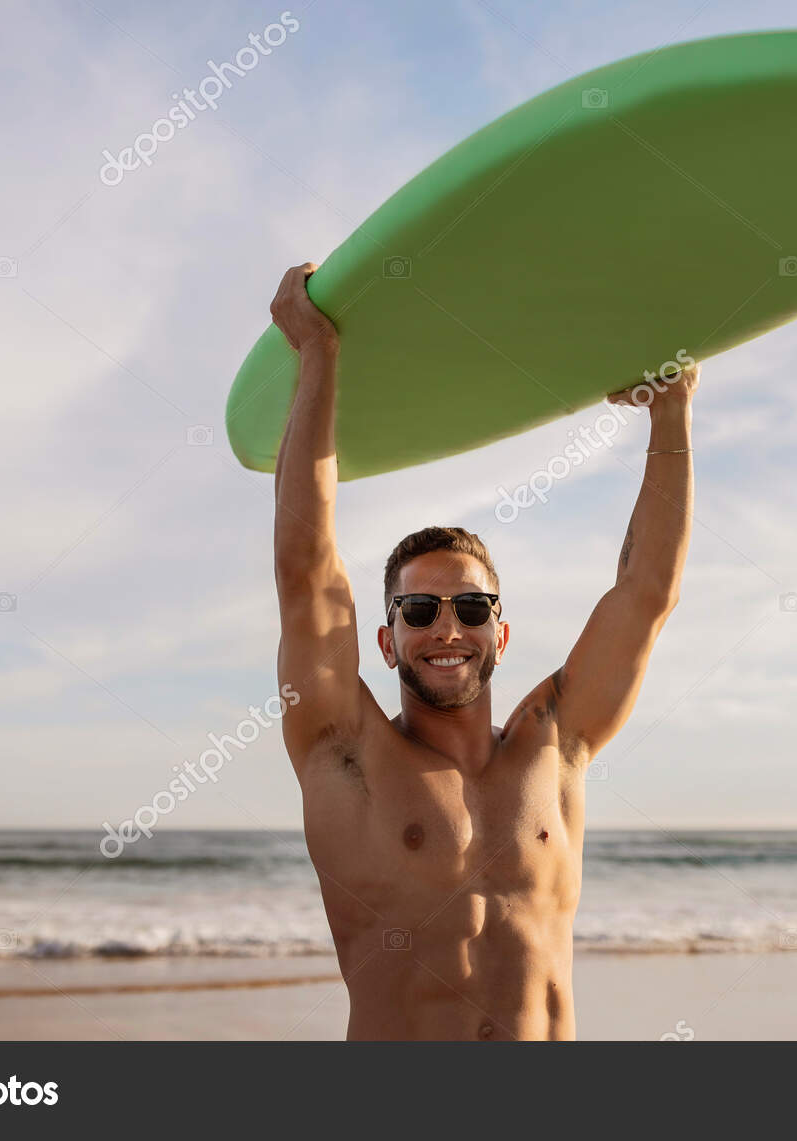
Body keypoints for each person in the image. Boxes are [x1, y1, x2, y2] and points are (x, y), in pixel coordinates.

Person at [269, 262, 694, 1039]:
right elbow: (307, 574)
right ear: (386, 639)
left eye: (470, 607)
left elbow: (647, 593)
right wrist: (318, 355)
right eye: (420, 609)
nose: (447, 629)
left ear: (499, 632)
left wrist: (671, 412)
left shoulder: (555, 746)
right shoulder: (344, 751)